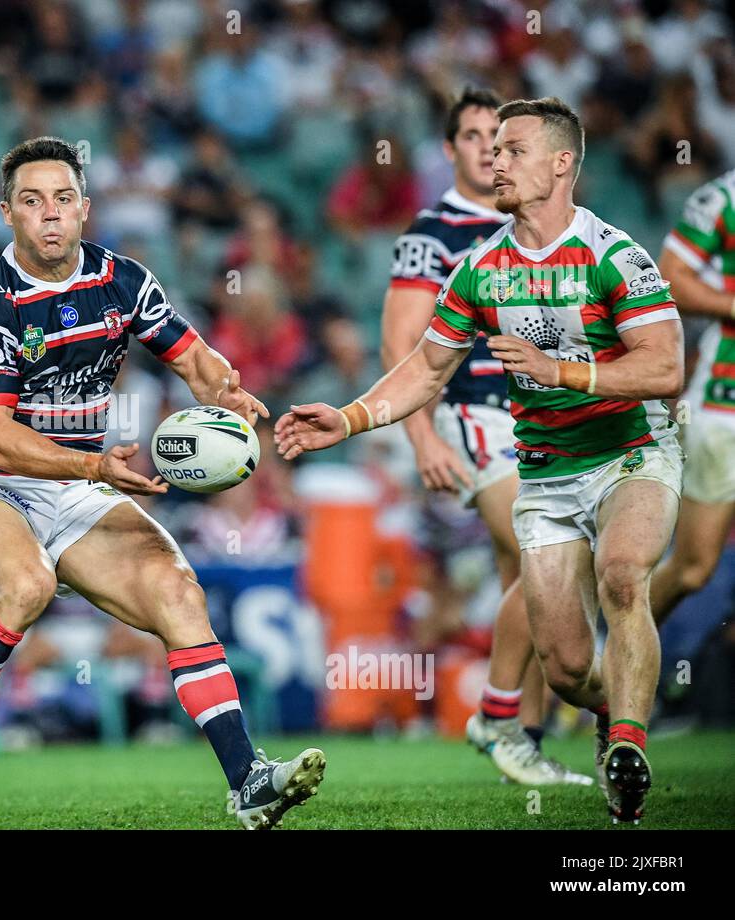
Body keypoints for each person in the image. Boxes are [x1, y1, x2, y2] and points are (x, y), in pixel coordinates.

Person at [0, 136, 325, 831]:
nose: (51, 215)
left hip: (76, 488)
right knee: (26, 584)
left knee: (176, 589)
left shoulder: (121, 280)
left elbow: (192, 357)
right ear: (8, 214)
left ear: (86, 209)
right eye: (32, 202)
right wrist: (96, 465)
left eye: (63, 199)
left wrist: (225, 389)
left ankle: (247, 780)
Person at [276, 98, 684, 824]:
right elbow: (425, 370)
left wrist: (564, 373)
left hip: (632, 452)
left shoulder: (616, 254)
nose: (496, 161)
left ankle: (625, 744)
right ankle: (608, 708)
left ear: (562, 164)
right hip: (547, 472)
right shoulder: (479, 266)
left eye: (513, 149)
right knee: (563, 668)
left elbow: (664, 369)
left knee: (622, 575)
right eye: (490, 149)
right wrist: (345, 418)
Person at [381, 89, 588, 786]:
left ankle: (521, 743)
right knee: (545, 554)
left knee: (524, 580)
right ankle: (500, 717)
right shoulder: (433, 232)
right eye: (470, 136)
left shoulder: (536, 231)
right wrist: (422, 439)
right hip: (471, 413)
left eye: (496, 139)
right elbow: (402, 345)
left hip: (539, 415)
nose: (484, 149)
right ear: (450, 149)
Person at [649, 172, 735, 622]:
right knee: (693, 569)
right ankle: (609, 653)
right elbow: (668, 278)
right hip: (725, 404)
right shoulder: (723, 198)